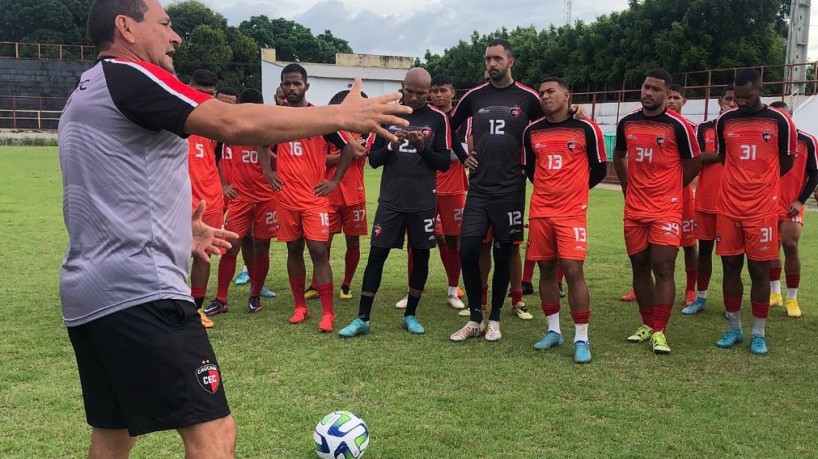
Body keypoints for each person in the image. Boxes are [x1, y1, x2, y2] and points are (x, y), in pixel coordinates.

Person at [59, 1, 410, 456]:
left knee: (115, 432)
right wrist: (340, 116)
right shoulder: (132, 76)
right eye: (165, 23)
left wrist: (179, 230)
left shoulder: (86, 89)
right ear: (126, 27)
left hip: (89, 293)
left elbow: (105, 184)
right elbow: (233, 121)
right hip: (140, 291)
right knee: (215, 434)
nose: (175, 36)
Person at [339, 68, 452, 337]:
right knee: (377, 255)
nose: (414, 98)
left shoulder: (438, 119)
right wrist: (391, 145)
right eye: (409, 91)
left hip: (423, 202)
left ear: (429, 92)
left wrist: (423, 148)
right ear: (403, 86)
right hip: (391, 201)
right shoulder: (387, 115)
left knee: (421, 256)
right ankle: (362, 318)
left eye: (421, 93)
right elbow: (374, 160)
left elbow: (444, 163)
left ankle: (410, 314)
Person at [448, 39, 544, 342]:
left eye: (497, 59)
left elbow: (550, 123)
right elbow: (448, 126)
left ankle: (495, 320)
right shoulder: (475, 96)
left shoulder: (528, 97)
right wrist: (463, 155)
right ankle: (475, 317)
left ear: (510, 62)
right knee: (468, 249)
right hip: (478, 190)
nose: (491, 64)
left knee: (504, 253)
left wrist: (576, 112)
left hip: (511, 190)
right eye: (488, 59)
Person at [613, 68, 701, 355]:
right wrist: (627, 186)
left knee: (663, 267)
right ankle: (647, 324)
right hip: (635, 209)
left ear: (667, 94)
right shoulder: (628, 122)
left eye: (656, 89)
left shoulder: (678, 126)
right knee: (639, 266)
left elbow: (694, 162)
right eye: (646, 87)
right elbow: (619, 155)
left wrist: (674, 188)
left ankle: (660, 331)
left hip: (666, 209)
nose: (648, 93)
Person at [262, 64, 355, 332]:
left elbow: (348, 147)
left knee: (318, 251)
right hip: (286, 198)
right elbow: (261, 143)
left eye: (297, 83)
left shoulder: (320, 118)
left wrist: (334, 181)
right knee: (293, 250)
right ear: (281, 86)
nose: (292, 88)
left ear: (306, 86)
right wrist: (268, 172)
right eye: (287, 83)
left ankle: (328, 313)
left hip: (314, 199)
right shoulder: (277, 118)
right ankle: (300, 307)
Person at [523, 77, 608, 363]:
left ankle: (581, 337)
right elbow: (531, 169)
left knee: (573, 270)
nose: (545, 96)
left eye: (551, 91)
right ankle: (553, 331)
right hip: (540, 211)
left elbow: (599, 168)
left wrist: (575, 191)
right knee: (546, 270)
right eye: (541, 93)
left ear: (567, 96)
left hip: (571, 212)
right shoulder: (532, 131)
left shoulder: (586, 128)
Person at [713, 68, 796, 355]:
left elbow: (786, 161)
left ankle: (758, 332)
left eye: (747, 96)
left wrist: (762, 182)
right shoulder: (725, 121)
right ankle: (734, 327)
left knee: (759, 270)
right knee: (730, 267)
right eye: (737, 97)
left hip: (762, 209)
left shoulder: (780, 121)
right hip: (728, 207)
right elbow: (724, 157)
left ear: (760, 90)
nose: (741, 102)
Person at [395, 74, 469, 310]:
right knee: (416, 240)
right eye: (434, 90)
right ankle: (412, 291)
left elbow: (463, 151)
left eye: (442, 90)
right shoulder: (420, 117)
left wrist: (439, 151)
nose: (438, 95)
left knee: (453, 239)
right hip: (425, 188)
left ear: (452, 93)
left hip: (453, 189)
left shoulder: (460, 119)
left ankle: (453, 290)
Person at [683, 86, 736, 314]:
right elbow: (697, 157)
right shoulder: (704, 127)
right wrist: (725, 153)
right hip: (706, 200)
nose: (732, 104)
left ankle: (730, 305)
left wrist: (715, 154)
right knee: (704, 250)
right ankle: (701, 298)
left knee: (730, 258)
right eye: (728, 99)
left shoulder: (743, 128)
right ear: (719, 100)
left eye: (736, 100)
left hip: (732, 203)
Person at [766, 101, 817, 318]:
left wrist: (800, 201)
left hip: (791, 203)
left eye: (783, 115)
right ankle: (775, 293)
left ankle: (792, 297)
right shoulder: (767, 140)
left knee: (790, 244)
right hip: (767, 203)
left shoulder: (807, 140)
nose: (780, 121)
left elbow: (815, 173)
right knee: (770, 249)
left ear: (791, 115)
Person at [323, 90, 370, 300]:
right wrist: (344, 153)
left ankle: (346, 284)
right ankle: (318, 283)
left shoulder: (367, 131)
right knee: (323, 243)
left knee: (353, 243)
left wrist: (344, 132)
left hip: (355, 196)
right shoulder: (326, 129)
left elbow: (360, 152)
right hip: (329, 195)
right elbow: (320, 158)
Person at [187, 69, 222, 328]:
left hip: (210, 199)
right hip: (180, 200)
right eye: (200, 92)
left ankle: (196, 307)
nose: (204, 98)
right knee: (173, 255)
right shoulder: (173, 117)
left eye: (209, 95)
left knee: (204, 253)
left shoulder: (214, 123)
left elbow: (216, 159)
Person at [666, 84, 699, 306]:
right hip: (656, 196)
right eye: (668, 97)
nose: (671, 101)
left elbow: (696, 162)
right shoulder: (653, 124)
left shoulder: (692, 128)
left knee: (688, 243)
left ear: (684, 102)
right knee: (649, 245)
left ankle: (690, 289)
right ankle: (641, 286)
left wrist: (679, 184)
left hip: (683, 193)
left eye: (676, 98)